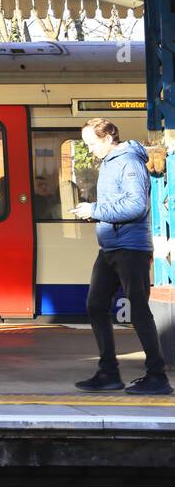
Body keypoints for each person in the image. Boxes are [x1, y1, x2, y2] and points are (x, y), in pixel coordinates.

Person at [72, 119, 171, 395]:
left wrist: (96, 208)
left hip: (131, 249)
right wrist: (96, 212)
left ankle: (157, 377)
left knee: (138, 310)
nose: (89, 150)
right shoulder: (109, 162)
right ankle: (108, 373)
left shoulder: (128, 161)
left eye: (92, 143)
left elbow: (136, 205)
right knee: (95, 306)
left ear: (107, 139)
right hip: (110, 248)